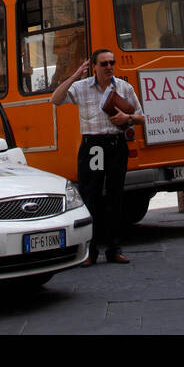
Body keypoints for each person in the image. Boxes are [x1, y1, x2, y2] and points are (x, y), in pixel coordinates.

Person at [52, 48, 145, 265]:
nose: (109, 67)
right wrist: (75, 75)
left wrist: (127, 117)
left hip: (115, 144)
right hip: (93, 146)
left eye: (112, 62)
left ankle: (114, 249)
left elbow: (141, 117)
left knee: (115, 196)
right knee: (90, 196)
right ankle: (90, 251)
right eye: (104, 63)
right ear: (94, 67)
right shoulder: (81, 87)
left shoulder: (123, 87)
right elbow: (55, 100)